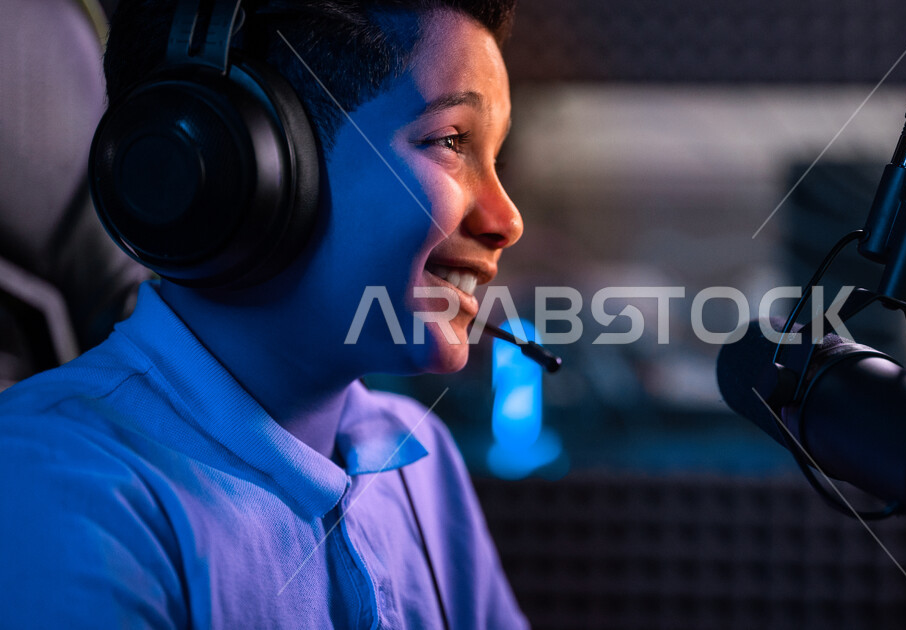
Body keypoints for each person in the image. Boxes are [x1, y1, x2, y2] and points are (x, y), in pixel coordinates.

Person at [0, 0, 529, 627]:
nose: (507, 220)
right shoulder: (54, 487)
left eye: (494, 156)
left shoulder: (421, 458)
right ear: (244, 158)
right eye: (450, 141)